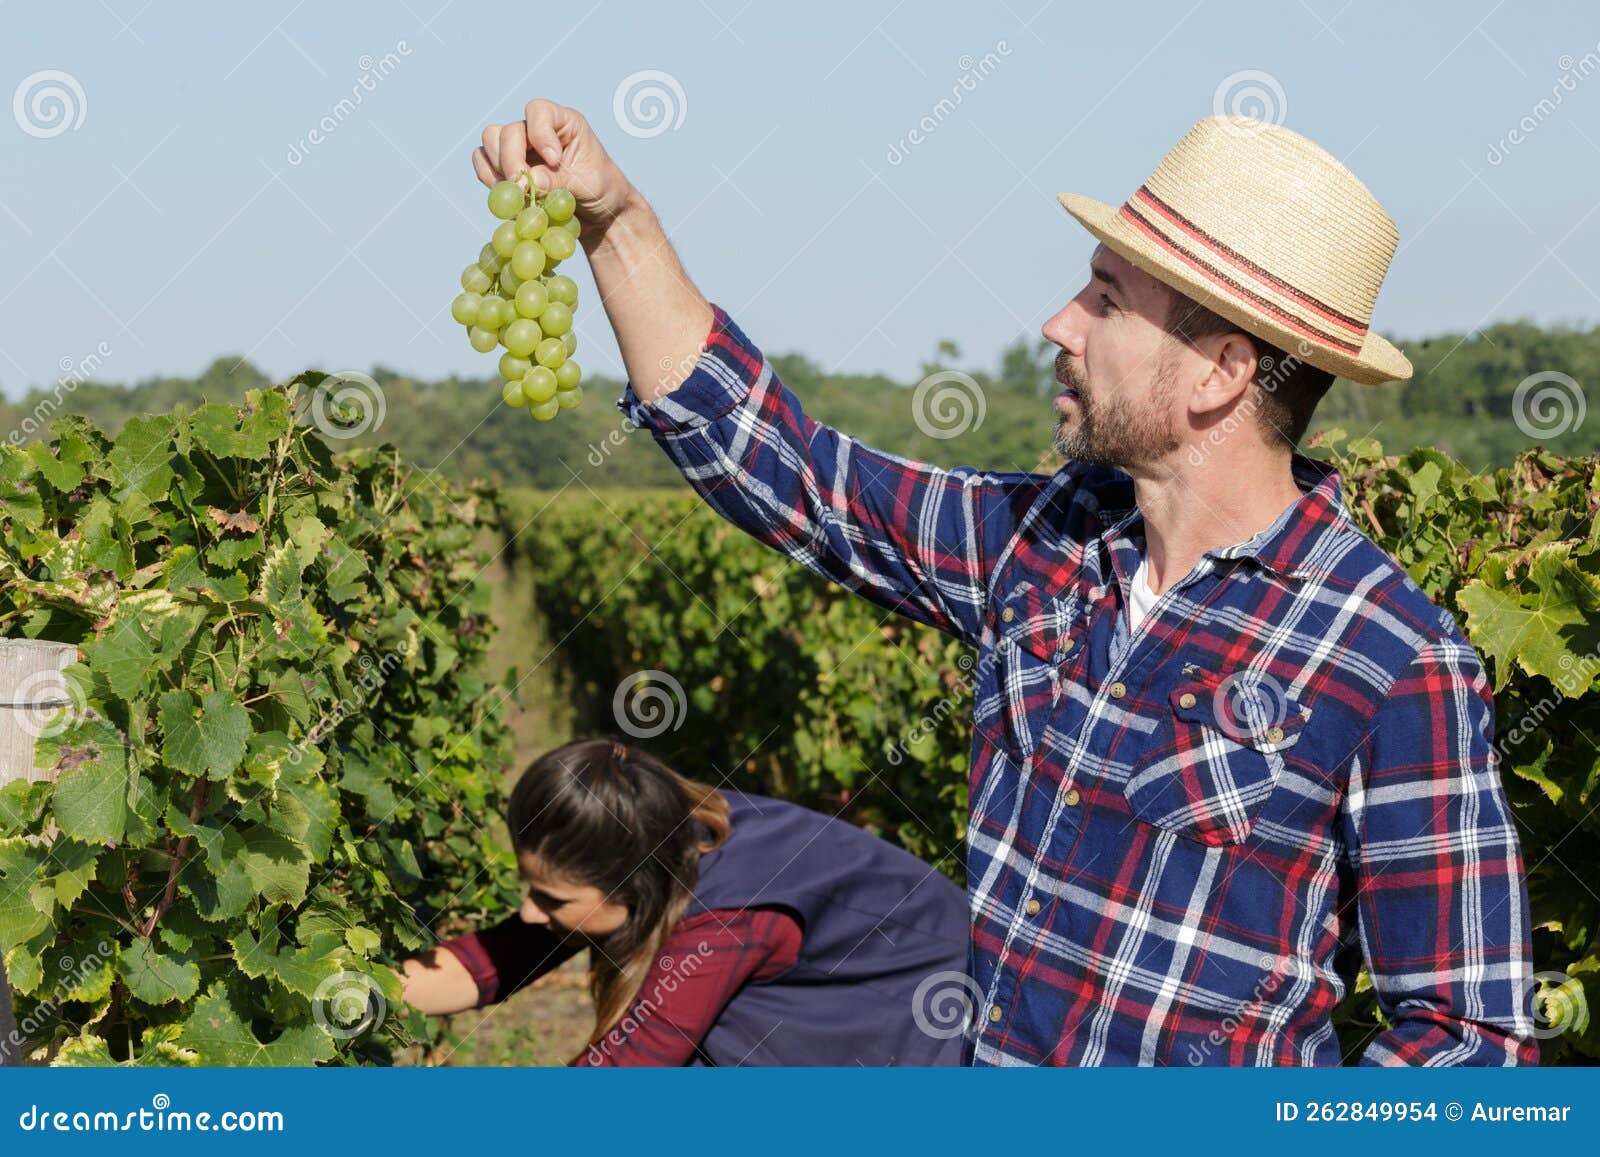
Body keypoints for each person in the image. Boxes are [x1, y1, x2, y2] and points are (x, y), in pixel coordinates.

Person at [467, 103, 1540, 1067]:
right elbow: (781, 462)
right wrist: (614, 216)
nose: (1058, 324)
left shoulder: (1393, 656)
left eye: (1106, 301)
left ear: (1217, 373)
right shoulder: (1045, 544)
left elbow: (1466, 1041)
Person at [400, 738, 969, 1065]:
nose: (529, 912)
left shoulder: (725, 924)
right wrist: (353, 994)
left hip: (925, 1034)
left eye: (550, 898)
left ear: (629, 887)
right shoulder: (647, 833)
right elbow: (501, 957)